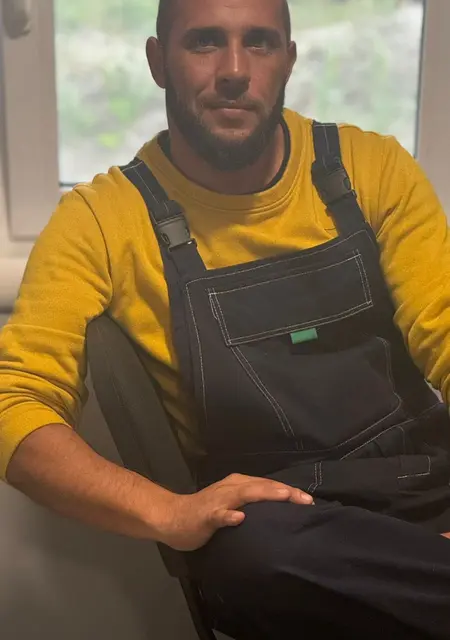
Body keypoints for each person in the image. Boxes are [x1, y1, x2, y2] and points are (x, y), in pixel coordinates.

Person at [1, 0, 450, 636]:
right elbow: (16, 403)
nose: (235, 70)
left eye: (259, 43)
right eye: (205, 42)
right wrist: (169, 512)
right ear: (158, 61)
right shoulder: (102, 220)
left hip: (424, 482)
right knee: (249, 555)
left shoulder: (370, 167)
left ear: (289, 60)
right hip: (285, 530)